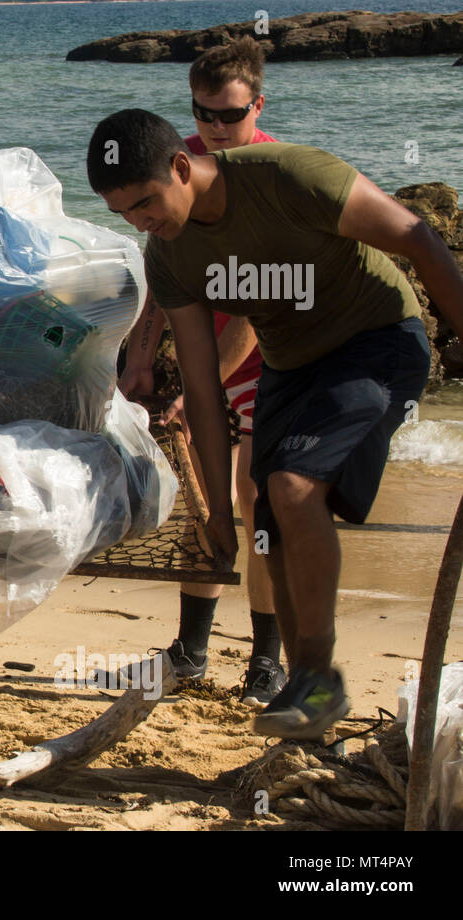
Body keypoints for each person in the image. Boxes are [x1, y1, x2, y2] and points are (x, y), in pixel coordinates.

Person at [86, 109, 463, 739]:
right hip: (292, 365)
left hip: (376, 339)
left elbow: (416, 235)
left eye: (147, 202)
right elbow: (204, 393)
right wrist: (211, 513)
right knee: (267, 517)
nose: (141, 221)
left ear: (183, 166)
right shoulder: (171, 256)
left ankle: (316, 683)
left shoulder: (289, 176)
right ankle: (304, 681)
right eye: (124, 213)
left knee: (291, 487)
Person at [109, 38, 282, 705]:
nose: (214, 128)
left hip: (274, 359)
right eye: (203, 114)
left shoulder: (269, 176)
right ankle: (190, 653)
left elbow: (261, 310)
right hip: (201, 349)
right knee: (204, 508)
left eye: (229, 116)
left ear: (256, 106)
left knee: (257, 503)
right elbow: (163, 271)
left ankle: (266, 665)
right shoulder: (177, 162)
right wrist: (145, 358)